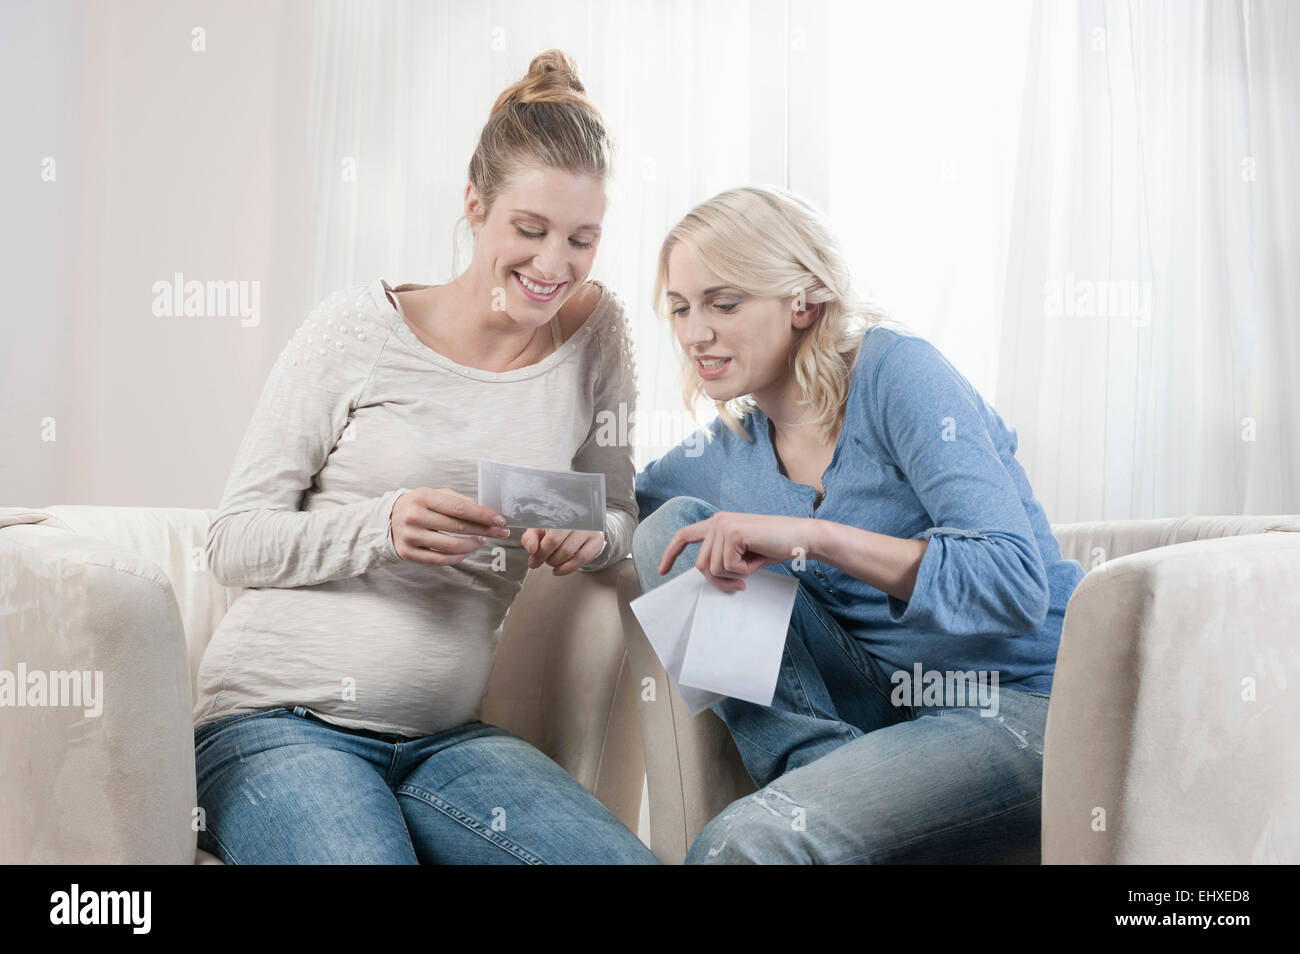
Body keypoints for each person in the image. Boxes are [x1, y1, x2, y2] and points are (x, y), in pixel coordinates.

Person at [193, 50, 656, 865]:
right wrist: (382, 525)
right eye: (530, 230)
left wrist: (592, 537)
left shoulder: (596, 338)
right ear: (475, 206)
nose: (554, 265)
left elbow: (616, 511)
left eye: (582, 239)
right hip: (276, 724)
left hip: (442, 739)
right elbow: (232, 540)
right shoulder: (359, 330)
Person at [631, 185, 1086, 864]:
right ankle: (813, 766)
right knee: (663, 531)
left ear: (803, 300)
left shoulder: (897, 373)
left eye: (725, 303)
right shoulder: (730, 451)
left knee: (740, 845)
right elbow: (616, 500)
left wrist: (815, 538)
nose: (697, 332)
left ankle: (804, 807)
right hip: (878, 709)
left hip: (1016, 707)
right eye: (680, 308)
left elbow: (1017, 584)